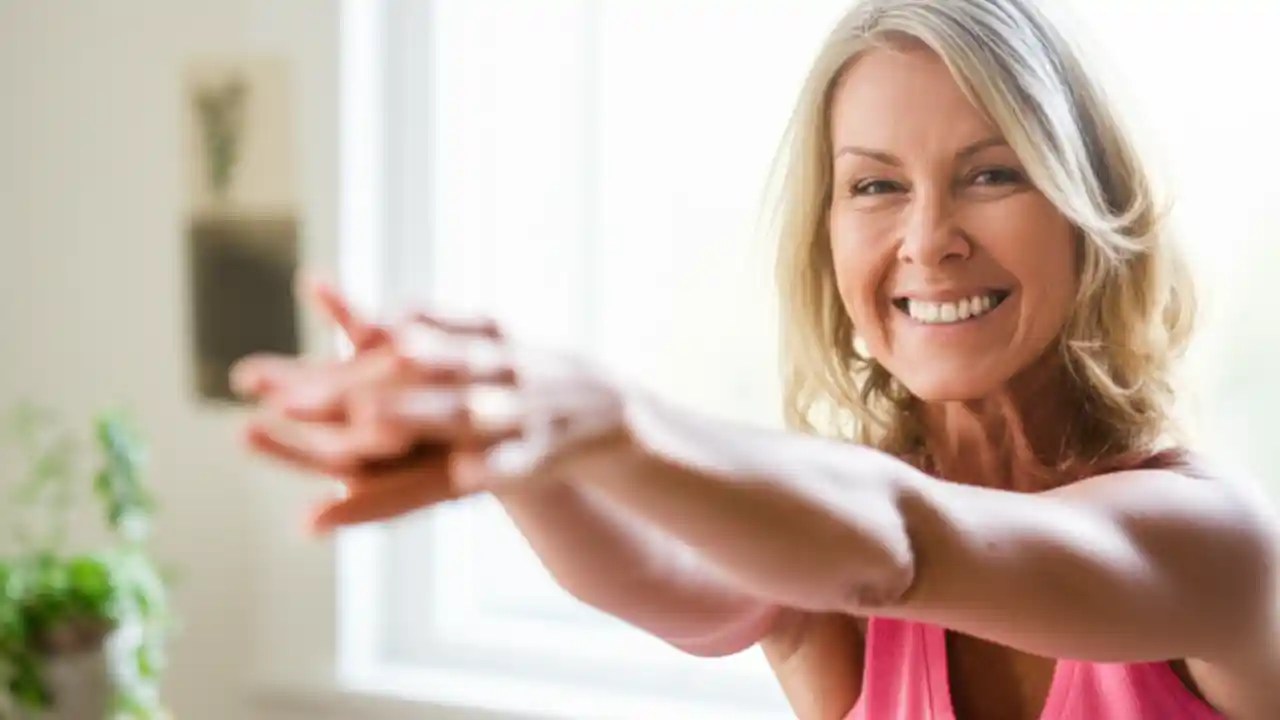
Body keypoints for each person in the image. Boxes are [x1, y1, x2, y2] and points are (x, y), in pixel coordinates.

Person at [229, 0, 1280, 717]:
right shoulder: (816, 555)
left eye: (990, 174)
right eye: (873, 186)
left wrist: (604, 414)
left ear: (1088, 212)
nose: (926, 239)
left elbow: (903, 550)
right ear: (823, 238)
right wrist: (506, 447)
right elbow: (672, 579)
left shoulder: (1212, 546)